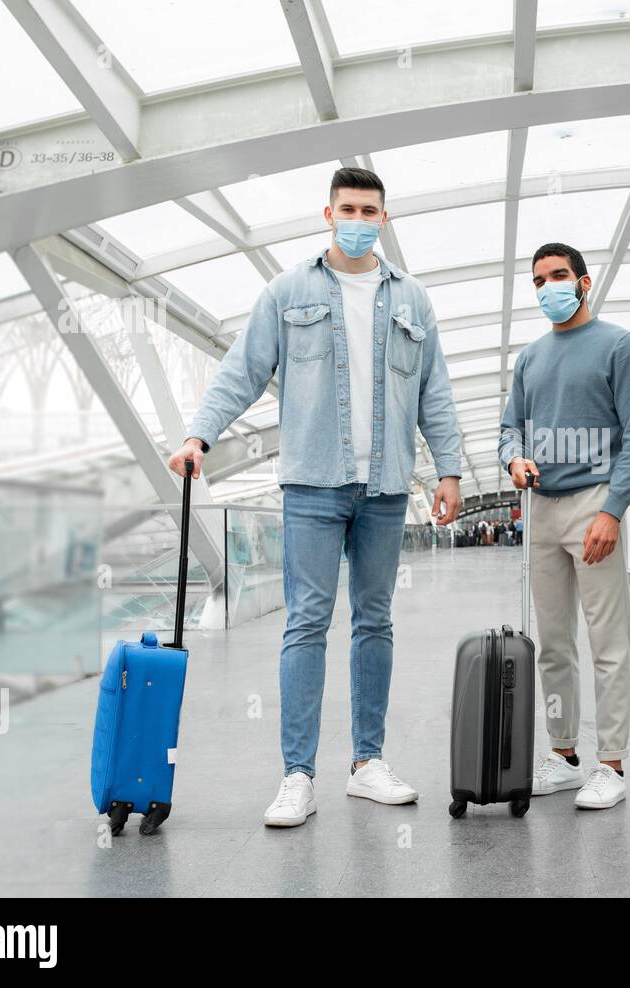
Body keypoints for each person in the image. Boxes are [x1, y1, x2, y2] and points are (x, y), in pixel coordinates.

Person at [169, 166, 463, 827]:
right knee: (306, 624)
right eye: (349, 208)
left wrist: (450, 471)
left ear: (384, 219)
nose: (360, 220)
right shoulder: (287, 291)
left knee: (374, 622)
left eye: (371, 210)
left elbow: (436, 393)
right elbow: (242, 370)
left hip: (385, 486)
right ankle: (297, 775)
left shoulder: (412, 299)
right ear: (328, 214)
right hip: (311, 483)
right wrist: (199, 436)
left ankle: (367, 764)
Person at [499, 242, 630, 810]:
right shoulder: (531, 358)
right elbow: (508, 429)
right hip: (542, 508)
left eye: (559, 276)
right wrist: (513, 458)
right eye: (539, 280)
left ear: (584, 282)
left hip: (594, 502)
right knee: (554, 645)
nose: (548, 287)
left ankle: (610, 763)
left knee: (608, 643)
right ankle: (563, 756)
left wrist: (612, 510)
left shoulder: (620, 346)